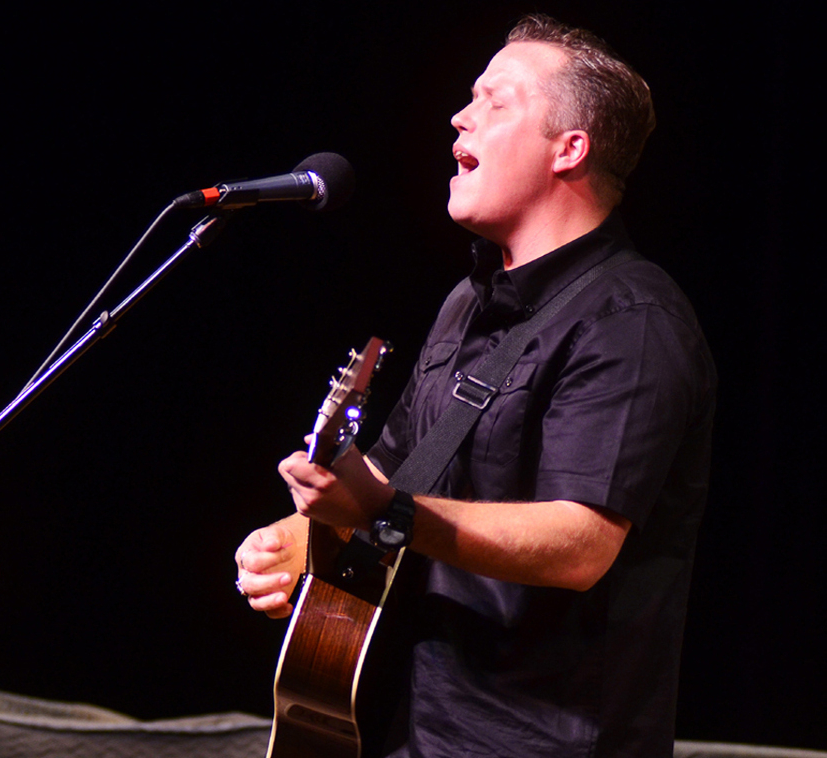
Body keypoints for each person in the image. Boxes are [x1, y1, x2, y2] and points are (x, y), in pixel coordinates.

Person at [235, 15, 715, 758]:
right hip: (414, 728)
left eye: (496, 102)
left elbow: (581, 543)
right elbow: (396, 474)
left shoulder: (632, 320)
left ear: (571, 148)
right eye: (469, 98)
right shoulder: (467, 303)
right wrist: (305, 537)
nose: (461, 116)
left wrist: (384, 509)